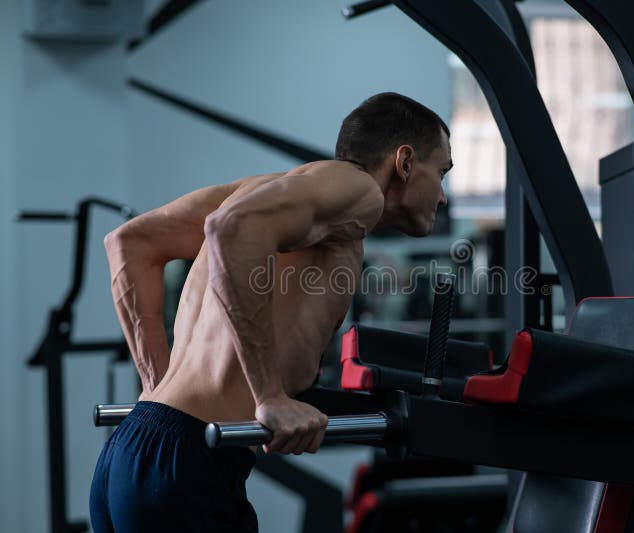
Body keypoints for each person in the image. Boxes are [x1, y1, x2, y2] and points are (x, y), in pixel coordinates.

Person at [89, 92, 452, 533]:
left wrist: (156, 384)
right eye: (443, 172)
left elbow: (130, 243)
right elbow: (230, 229)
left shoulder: (261, 190)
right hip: (186, 464)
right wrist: (270, 398)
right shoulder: (361, 190)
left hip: (135, 449)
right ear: (405, 162)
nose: (445, 197)